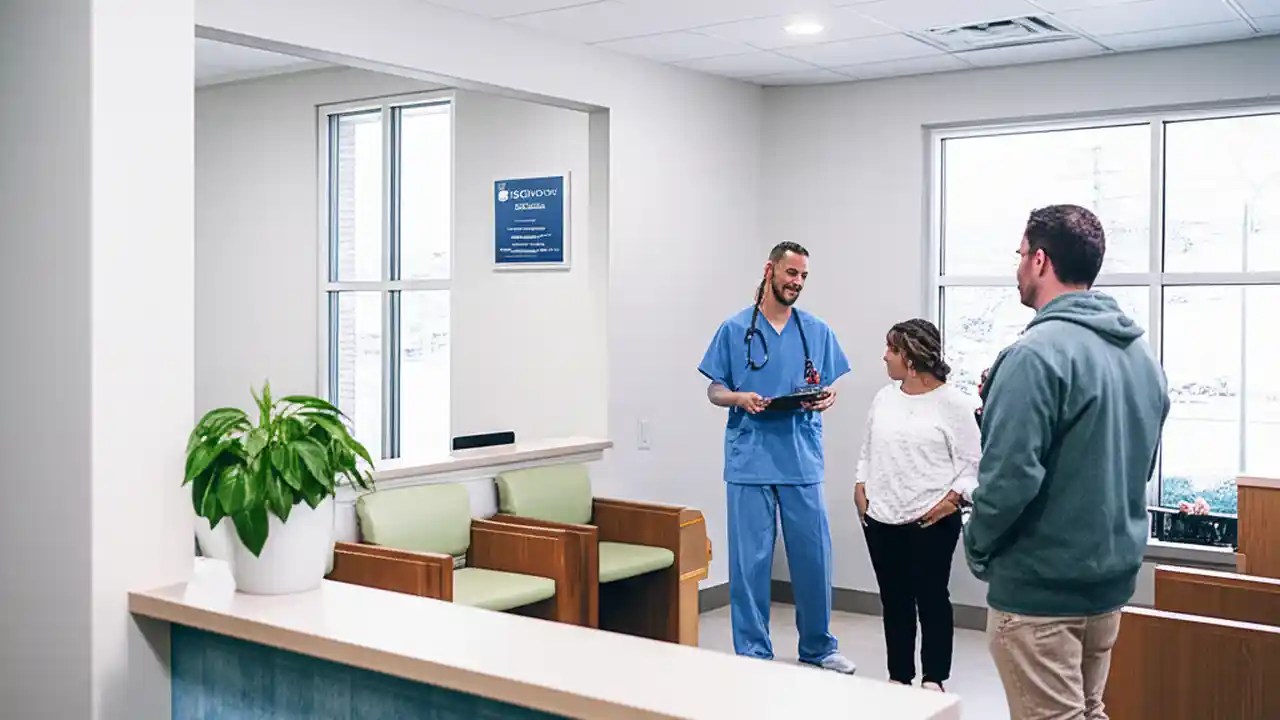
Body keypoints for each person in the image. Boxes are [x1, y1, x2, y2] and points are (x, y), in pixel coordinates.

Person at [962, 205, 1169, 720]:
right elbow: (1137, 467)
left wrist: (977, 544)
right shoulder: (1143, 358)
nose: (1017, 268)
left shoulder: (1034, 356)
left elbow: (1009, 479)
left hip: (1040, 595)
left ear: (1039, 260)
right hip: (1106, 587)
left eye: (1019, 254)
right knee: (1088, 710)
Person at [698, 241, 856, 674]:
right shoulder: (734, 329)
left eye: (804, 276)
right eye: (791, 273)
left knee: (814, 556)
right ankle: (753, 652)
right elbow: (714, 389)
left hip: (801, 457)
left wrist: (827, 398)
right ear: (770, 270)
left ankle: (820, 646)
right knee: (749, 563)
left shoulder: (816, 330)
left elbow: (830, 382)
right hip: (750, 459)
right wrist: (738, 397)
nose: (797, 283)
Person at [855, 318, 980, 692]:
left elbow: (973, 464)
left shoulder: (954, 404)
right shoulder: (884, 397)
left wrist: (952, 501)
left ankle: (934, 678)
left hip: (931, 521)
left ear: (910, 358)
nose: (885, 356)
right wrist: (860, 485)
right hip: (881, 518)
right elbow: (868, 449)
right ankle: (898, 676)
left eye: (891, 349)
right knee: (894, 601)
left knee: (931, 598)